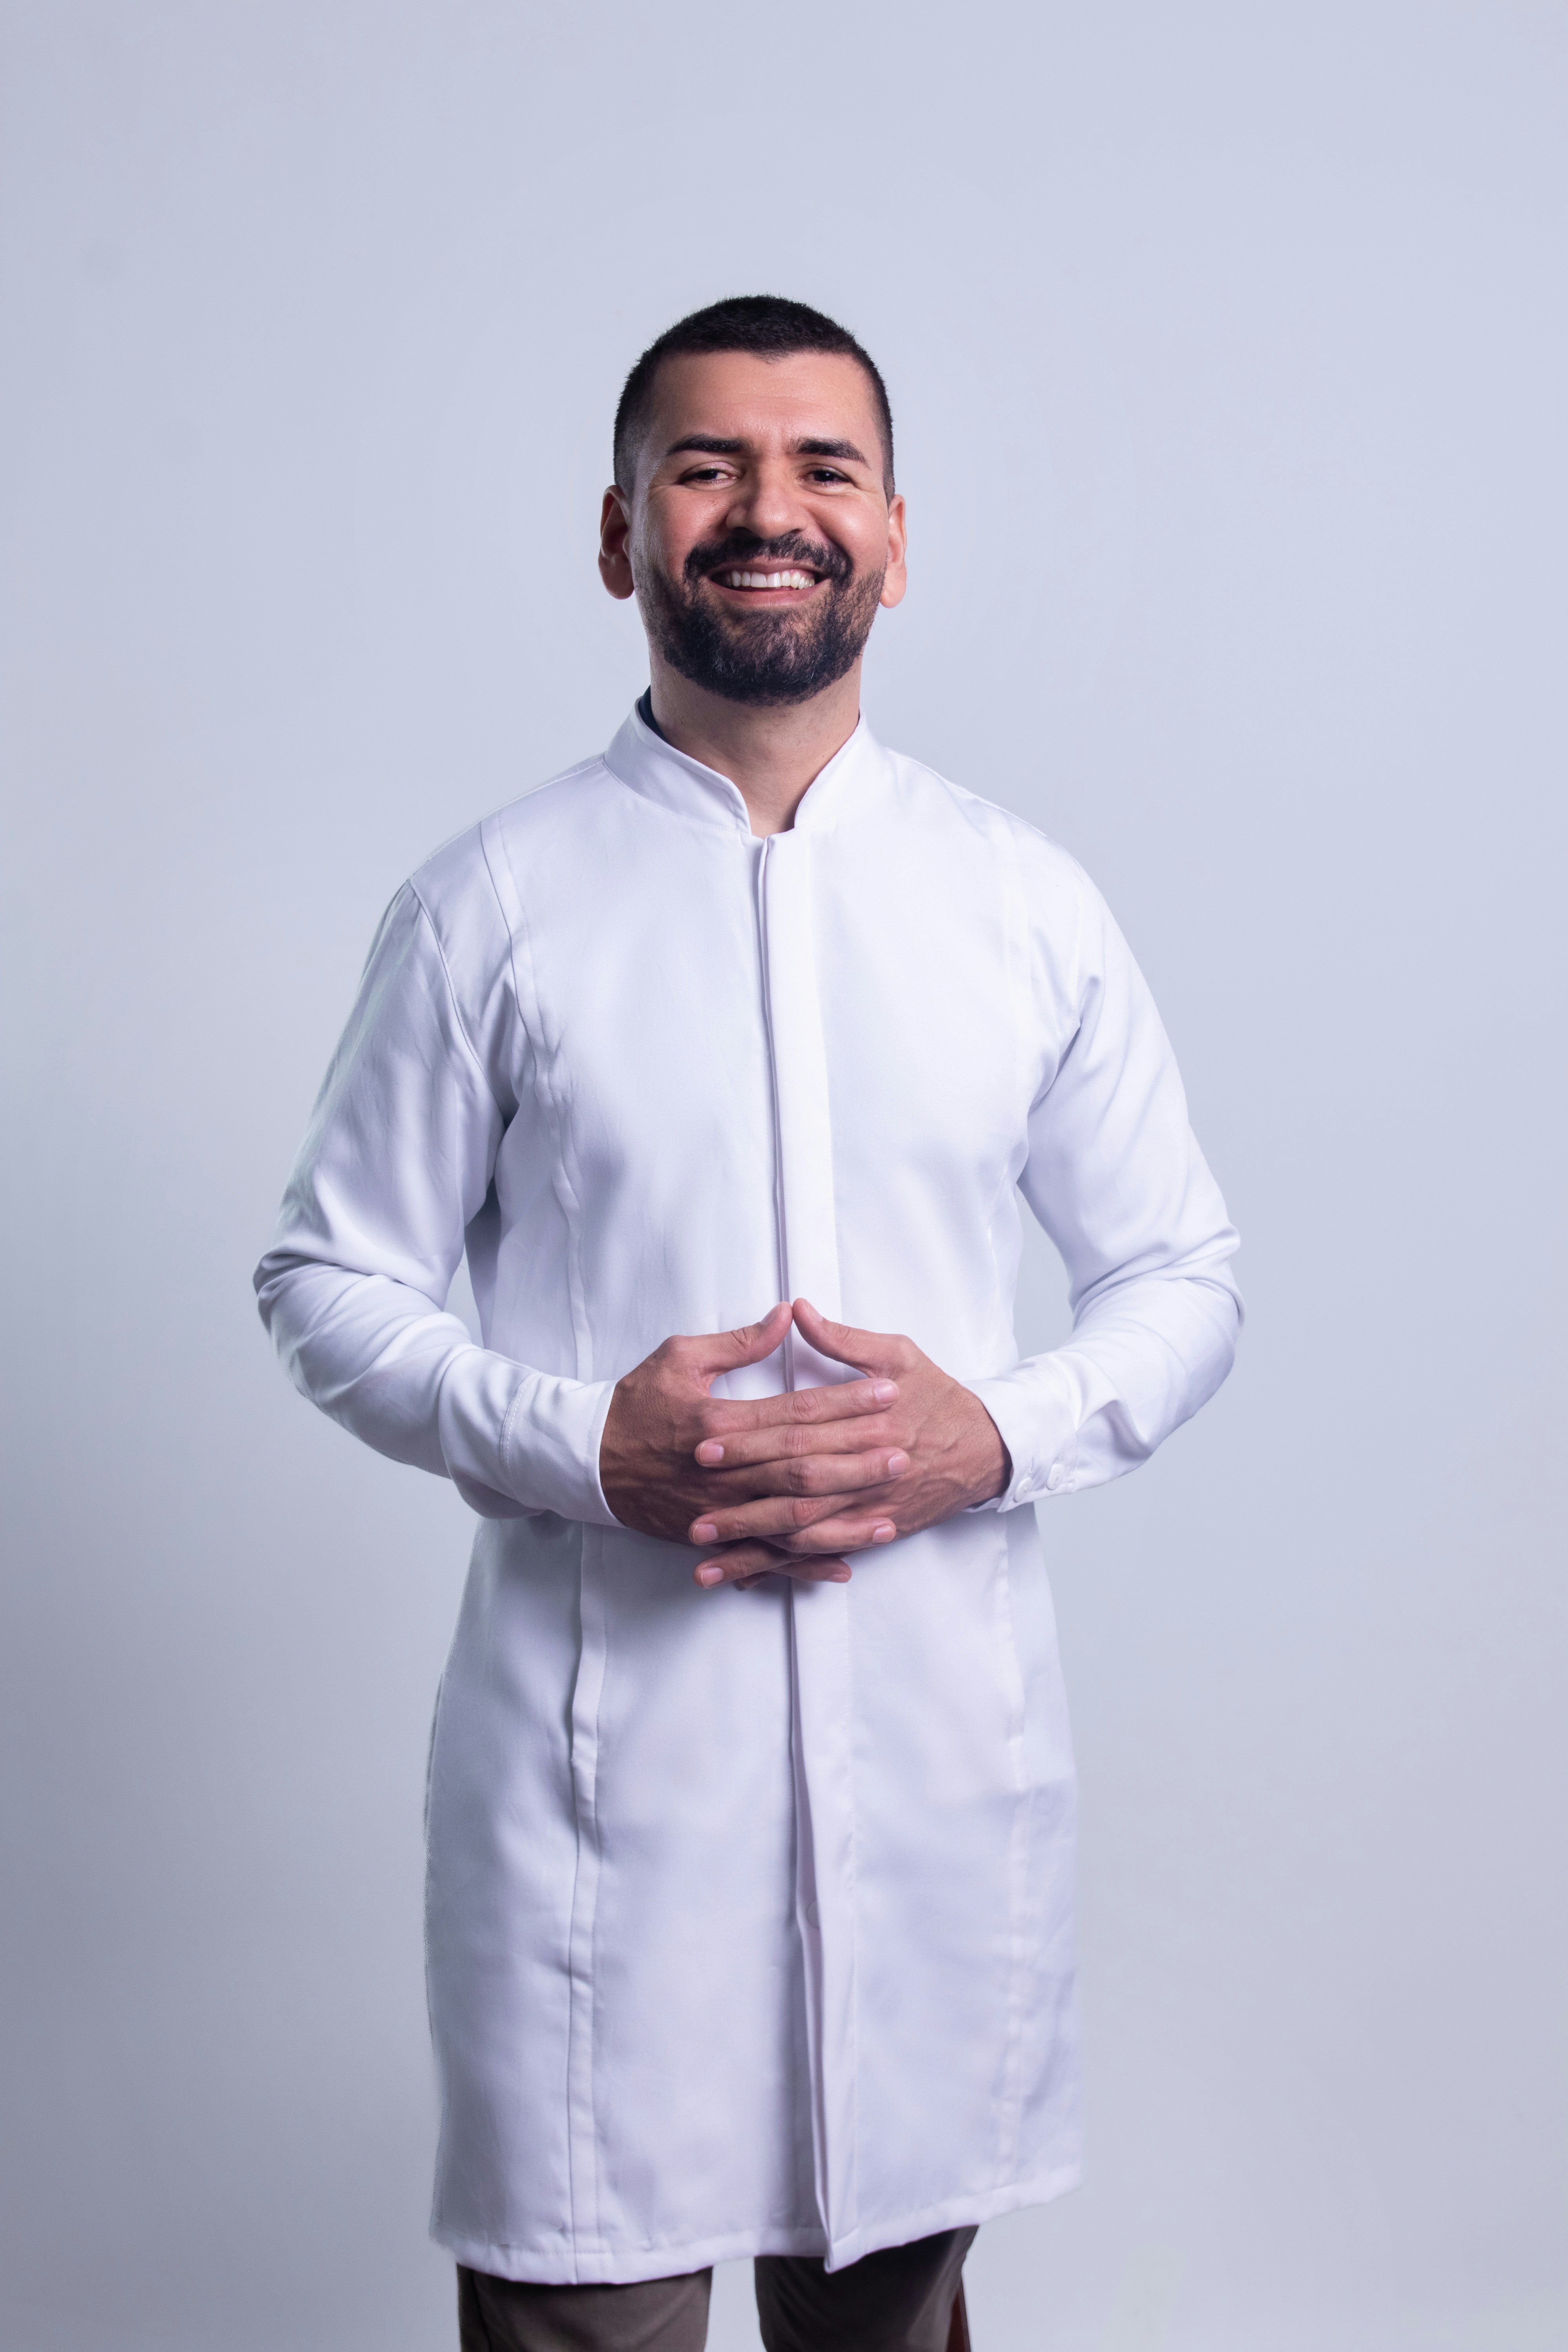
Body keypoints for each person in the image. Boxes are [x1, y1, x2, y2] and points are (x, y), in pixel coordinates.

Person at [255, 294, 1241, 2352]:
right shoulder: (492, 907)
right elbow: (326, 1275)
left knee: (892, 2319)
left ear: (895, 533)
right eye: (703, 467)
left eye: (820, 469)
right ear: (618, 534)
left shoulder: (1020, 903)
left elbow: (1181, 1276)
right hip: (606, 1784)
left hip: (934, 1774)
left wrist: (996, 1433)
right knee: (583, 2317)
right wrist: (573, 1440)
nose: (764, 511)